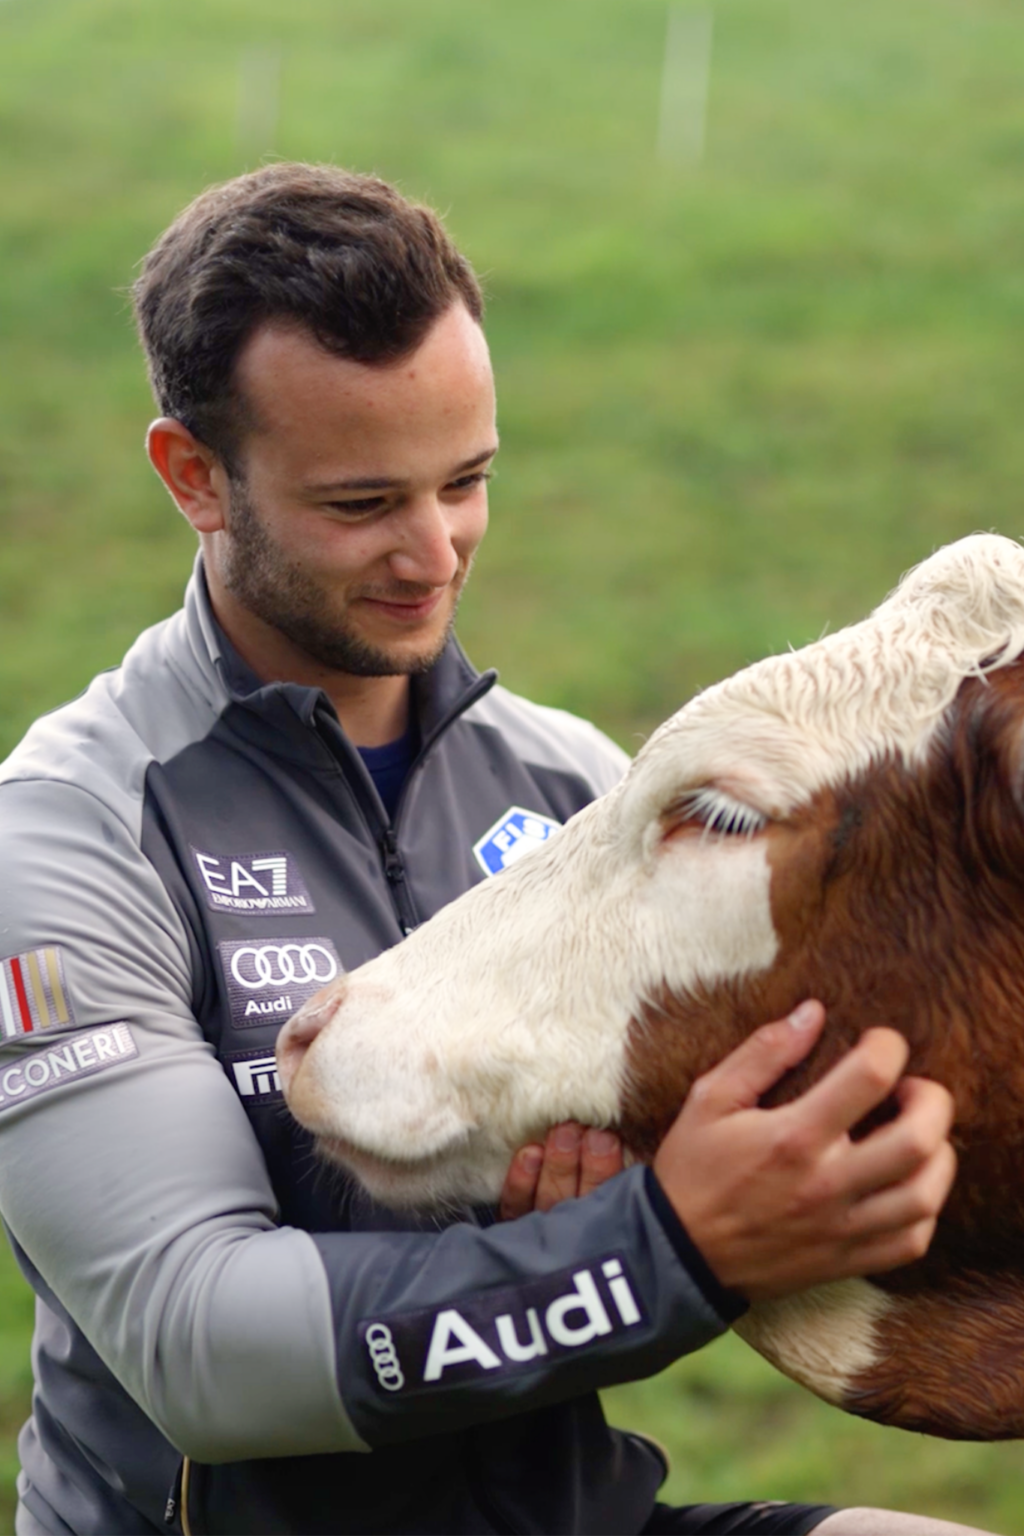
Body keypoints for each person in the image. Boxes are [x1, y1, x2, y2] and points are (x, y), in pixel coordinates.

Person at [0, 162, 988, 1536]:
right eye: (361, 505)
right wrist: (659, 1251)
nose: (436, 552)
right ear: (194, 479)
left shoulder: (581, 780)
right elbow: (198, 1348)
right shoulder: (70, 829)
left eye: (466, 481)